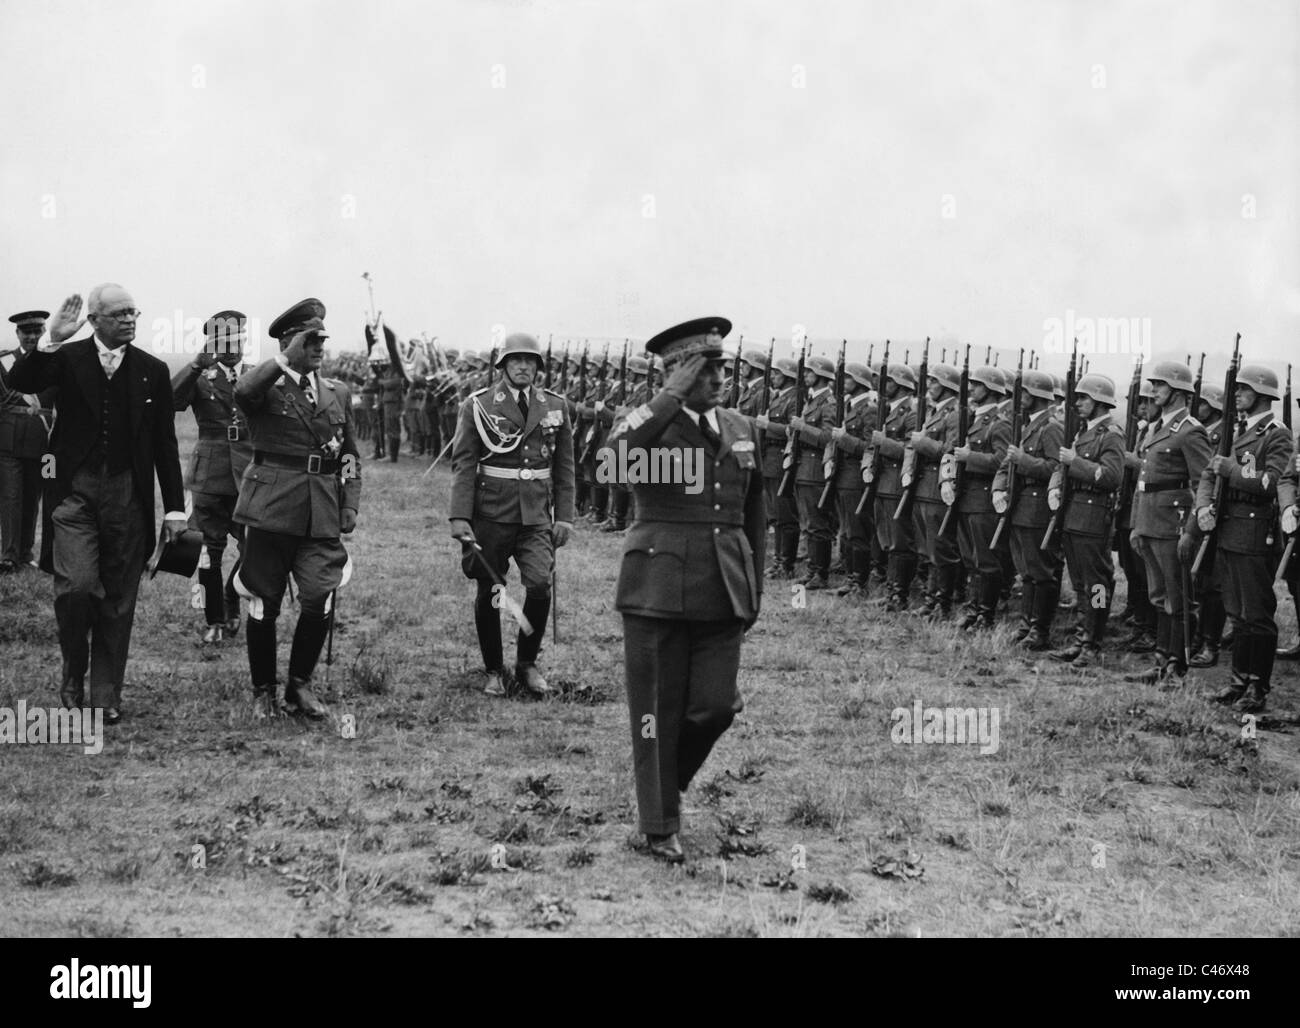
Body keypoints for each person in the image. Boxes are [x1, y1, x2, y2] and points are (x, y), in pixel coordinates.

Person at [611, 316, 765, 863]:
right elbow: (614, 459)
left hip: (723, 585)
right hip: (658, 584)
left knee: (715, 708)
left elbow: (755, 516)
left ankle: (660, 785)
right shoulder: (648, 423)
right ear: (676, 372)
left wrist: (753, 589)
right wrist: (668, 398)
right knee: (657, 707)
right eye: (706, 367)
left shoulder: (742, 427)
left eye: (722, 366)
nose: (719, 377)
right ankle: (658, 825)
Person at [8, 287, 186, 723]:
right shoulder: (66, 359)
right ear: (94, 319)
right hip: (74, 495)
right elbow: (21, 382)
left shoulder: (152, 370)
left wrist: (176, 510)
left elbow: (164, 442)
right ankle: (73, 669)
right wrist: (52, 339)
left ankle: (105, 695)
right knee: (77, 587)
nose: (130, 319)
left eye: (134, 312)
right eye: (120, 313)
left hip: (128, 495)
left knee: (119, 599)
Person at [233, 298, 361, 719]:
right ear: (289, 342)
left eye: (323, 338)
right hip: (270, 508)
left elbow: (349, 456)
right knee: (262, 601)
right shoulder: (265, 386)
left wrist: (350, 503)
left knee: (319, 597)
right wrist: (283, 361)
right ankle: (262, 692)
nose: (320, 346)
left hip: (321, 511)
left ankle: (299, 686)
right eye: (311, 339)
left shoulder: (337, 392)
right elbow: (243, 392)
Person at [448, 333, 575, 698]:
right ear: (503, 366)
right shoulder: (479, 405)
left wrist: (563, 516)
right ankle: (493, 668)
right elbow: (464, 463)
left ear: (538, 367)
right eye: (516, 361)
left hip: (536, 514)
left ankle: (527, 664)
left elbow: (564, 467)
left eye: (530, 361)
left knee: (538, 585)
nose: (524, 367)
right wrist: (460, 516)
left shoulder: (555, 406)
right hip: (492, 513)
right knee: (491, 588)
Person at [1193, 364, 1293, 713]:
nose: (1236, 395)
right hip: (1227, 528)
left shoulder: (1276, 434)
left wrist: (1231, 471)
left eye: (1244, 390)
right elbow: (1209, 472)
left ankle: (1257, 686)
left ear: (1263, 394)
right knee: (1236, 612)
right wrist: (1203, 505)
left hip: (1253, 533)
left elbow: (1269, 482)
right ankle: (1238, 680)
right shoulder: (1236, 430)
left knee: (1256, 614)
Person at [1124, 360, 1211, 685]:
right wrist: (1136, 524)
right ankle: (1161, 659)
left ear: (1176, 390)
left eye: (1159, 385)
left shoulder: (1190, 431)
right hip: (1150, 522)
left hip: (1173, 525)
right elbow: (1143, 482)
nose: (1154, 390)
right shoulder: (1159, 429)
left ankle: (1178, 664)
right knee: (1159, 594)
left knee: (1178, 597)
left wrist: (1191, 531)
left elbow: (1203, 482)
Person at [171, 310, 249, 642]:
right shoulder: (201, 376)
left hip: (250, 475)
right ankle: (214, 620)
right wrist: (195, 366)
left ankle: (233, 595)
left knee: (255, 551)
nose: (230, 347)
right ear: (212, 343)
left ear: (244, 340)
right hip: (209, 475)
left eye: (236, 339)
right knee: (207, 551)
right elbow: (171, 401)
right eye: (223, 341)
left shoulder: (258, 375)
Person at [1048, 373, 1126, 667]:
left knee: (1096, 584)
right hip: (1074, 512)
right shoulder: (1082, 432)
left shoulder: (1111, 434)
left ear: (1099, 401)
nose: (1077, 403)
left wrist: (1074, 463)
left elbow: (1111, 476)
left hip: (1094, 516)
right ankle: (1082, 638)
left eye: (1083, 398)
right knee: (1080, 582)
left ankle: (1092, 642)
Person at [993, 369, 1063, 649]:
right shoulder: (1029, 425)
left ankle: (1039, 630)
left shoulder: (1051, 427)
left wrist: (1024, 462)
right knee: (1027, 571)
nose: (1017, 398)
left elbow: (1057, 469)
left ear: (1036, 396)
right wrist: (1000, 486)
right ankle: (1027, 624)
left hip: (1038, 508)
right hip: (1022, 505)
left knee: (1040, 570)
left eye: (1024, 393)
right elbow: (1007, 465)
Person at [0, 311, 55, 573]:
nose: (32, 336)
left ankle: (26, 552)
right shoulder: (4, 361)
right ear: (18, 334)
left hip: (43, 442)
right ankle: (9, 556)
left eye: (37, 331)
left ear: (43, 332)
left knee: (35, 496)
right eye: (26, 332)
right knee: (10, 496)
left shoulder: (54, 360)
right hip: (8, 439)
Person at [787, 355, 837, 589]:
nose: (805, 375)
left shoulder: (828, 403)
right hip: (803, 465)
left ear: (820, 375)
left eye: (809, 372)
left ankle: (820, 573)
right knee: (808, 521)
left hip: (816, 467)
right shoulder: (811, 400)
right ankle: (812, 568)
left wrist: (802, 428)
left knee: (817, 522)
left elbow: (828, 437)